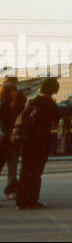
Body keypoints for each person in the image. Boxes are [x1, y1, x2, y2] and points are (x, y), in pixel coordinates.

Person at [15, 78, 61, 209]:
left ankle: (21, 201)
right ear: (54, 90)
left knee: (24, 170)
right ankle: (32, 200)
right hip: (41, 141)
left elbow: (22, 118)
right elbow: (56, 120)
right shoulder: (50, 103)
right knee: (36, 172)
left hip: (27, 140)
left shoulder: (31, 101)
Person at [0, 76, 27, 199]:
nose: (15, 91)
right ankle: (11, 190)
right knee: (11, 165)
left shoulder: (20, 101)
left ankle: (11, 189)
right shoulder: (2, 105)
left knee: (13, 166)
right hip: (5, 138)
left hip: (12, 139)